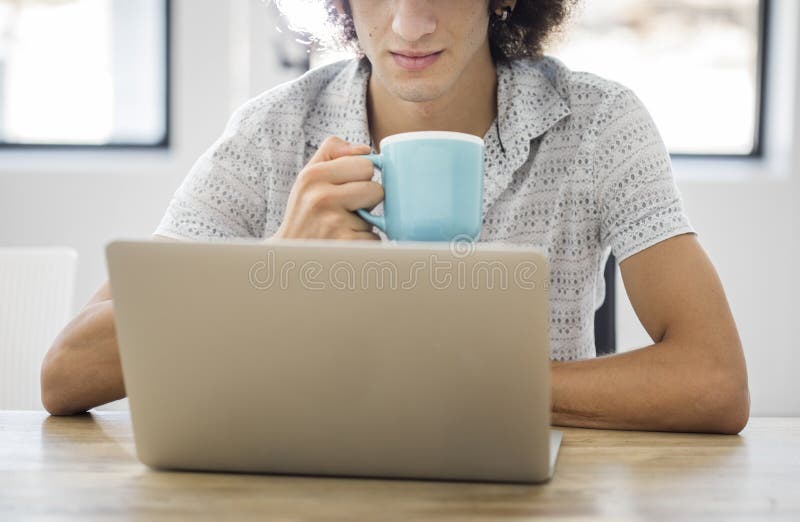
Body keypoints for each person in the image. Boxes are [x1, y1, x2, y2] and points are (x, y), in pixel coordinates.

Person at [41, 0, 749, 434]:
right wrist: (277, 265)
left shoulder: (598, 125)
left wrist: (467, 390)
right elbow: (67, 374)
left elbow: (714, 380)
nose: (410, 24)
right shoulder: (272, 133)